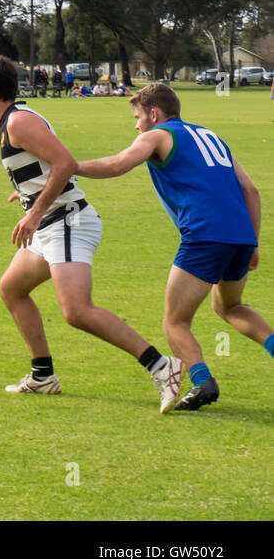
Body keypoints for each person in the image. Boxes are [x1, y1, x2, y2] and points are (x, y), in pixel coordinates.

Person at [0, 55, 183, 411]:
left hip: (67, 221)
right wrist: (27, 193)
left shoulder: (18, 122)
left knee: (76, 311)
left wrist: (34, 212)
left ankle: (162, 366)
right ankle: (42, 375)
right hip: (52, 223)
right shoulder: (11, 122)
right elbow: (46, 167)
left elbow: (65, 163)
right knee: (12, 288)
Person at [73, 83, 272, 411]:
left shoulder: (157, 136)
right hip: (240, 235)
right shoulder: (211, 136)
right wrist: (252, 242)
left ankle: (202, 380)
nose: (136, 125)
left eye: (138, 117)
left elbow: (116, 165)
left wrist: (71, 167)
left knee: (174, 322)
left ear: (154, 114)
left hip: (205, 236)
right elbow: (250, 190)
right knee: (230, 307)